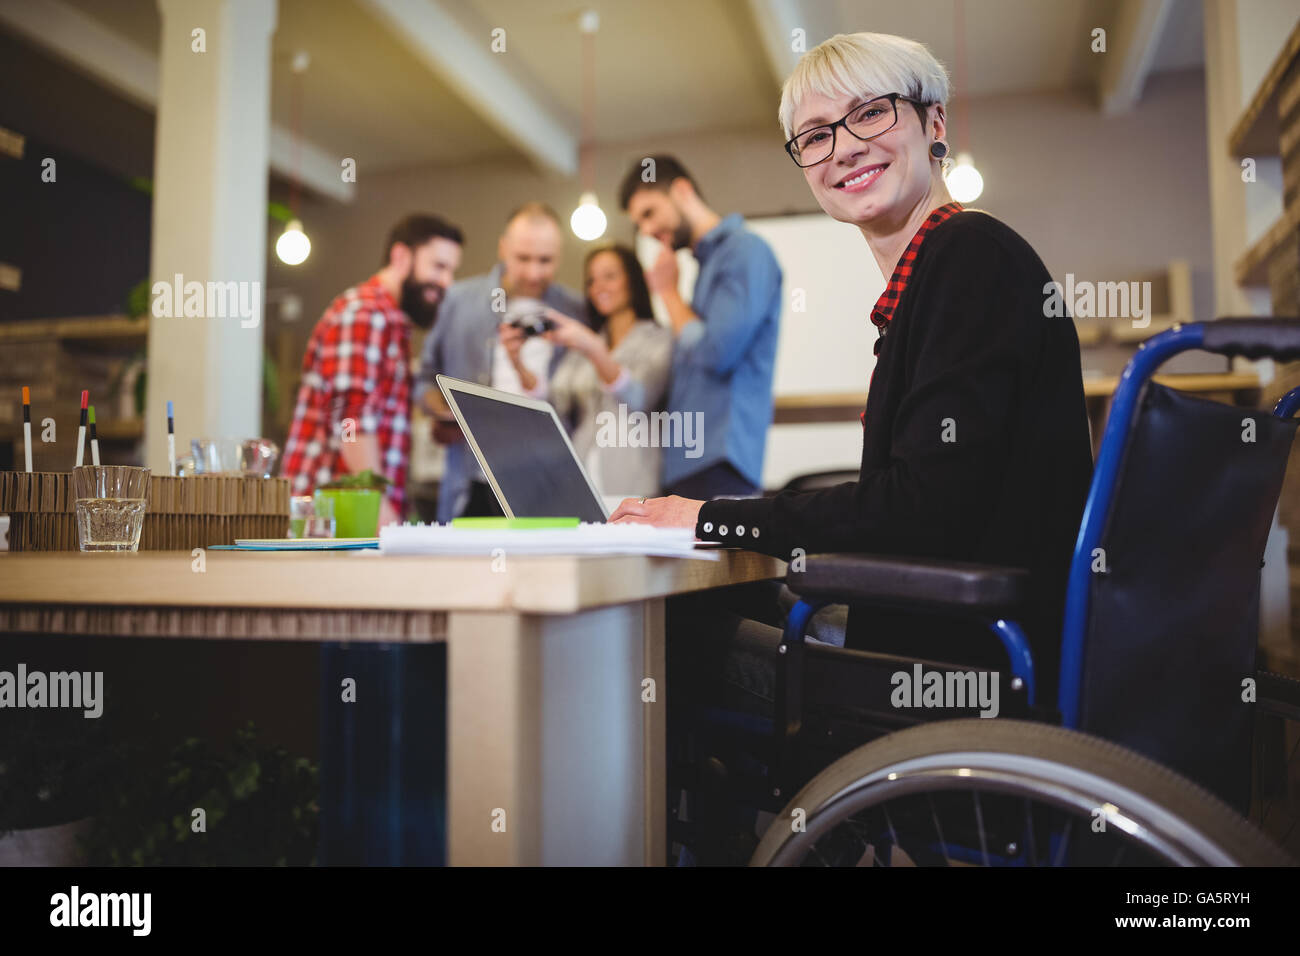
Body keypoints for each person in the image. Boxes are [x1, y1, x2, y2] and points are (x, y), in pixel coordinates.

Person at [612, 32, 1093, 741]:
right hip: (956, 636)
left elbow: (922, 507)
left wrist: (710, 516)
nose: (841, 148)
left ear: (934, 124)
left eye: (869, 114)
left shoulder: (971, 258)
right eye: (814, 135)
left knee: (658, 638)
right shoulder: (945, 270)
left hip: (962, 671)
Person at [282, 214, 463, 527]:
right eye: (438, 266)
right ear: (401, 256)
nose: (447, 282)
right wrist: (377, 504)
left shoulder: (391, 322)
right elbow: (350, 419)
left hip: (350, 511)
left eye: (451, 270)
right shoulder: (365, 314)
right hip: (333, 514)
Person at [618, 155, 782, 500]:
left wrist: (667, 293)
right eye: (639, 224)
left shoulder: (744, 251)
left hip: (719, 465)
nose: (646, 231)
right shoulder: (705, 267)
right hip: (691, 463)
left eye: (649, 213)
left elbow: (716, 353)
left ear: (681, 191)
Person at [415, 203, 584, 522]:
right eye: (523, 259)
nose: (534, 272)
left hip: (548, 480)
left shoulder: (576, 310)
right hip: (472, 477)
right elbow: (425, 377)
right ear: (503, 249)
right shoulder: (458, 301)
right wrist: (442, 411)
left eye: (545, 260)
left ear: (559, 255)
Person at [502, 244, 672, 500]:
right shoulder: (584, 343)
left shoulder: (658, 339)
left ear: (633, 280)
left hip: (633, 483)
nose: (598, 287)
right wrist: (517, 363)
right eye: (592, 280)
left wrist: (592, 347)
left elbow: (638, 398)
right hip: (582, 481)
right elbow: (553, 407)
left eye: (610, 276)